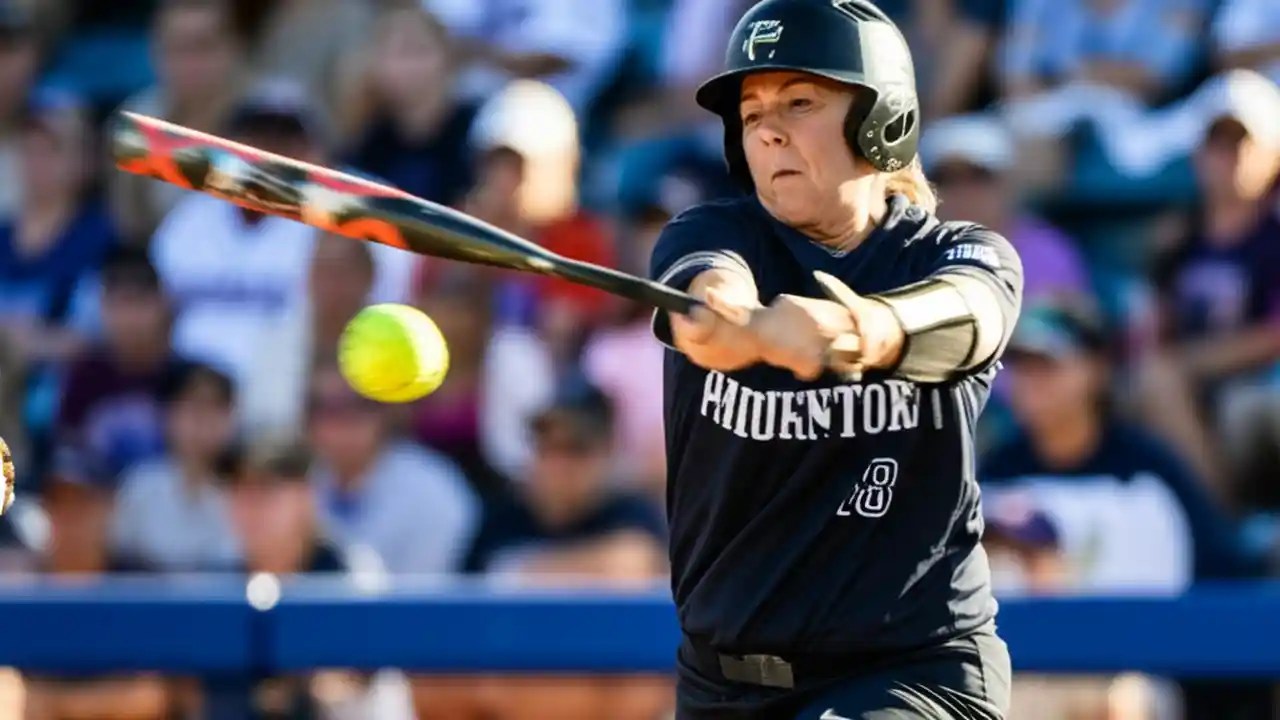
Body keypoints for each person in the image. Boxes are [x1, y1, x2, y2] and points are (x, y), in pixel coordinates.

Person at [650, 2, 1024, 718]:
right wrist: (734, 320)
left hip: (913, 671)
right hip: (721, 682)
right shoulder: (713, 230)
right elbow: (703, 297)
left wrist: (859, 329)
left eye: (800, 101)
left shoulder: (954, 254)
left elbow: (972, 314)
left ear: (882, 123)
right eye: (750, 111)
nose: (767, 129)